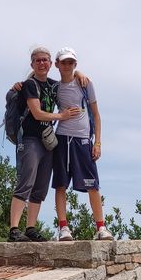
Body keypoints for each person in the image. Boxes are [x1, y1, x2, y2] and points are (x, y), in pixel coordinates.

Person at [8, 46, 80, 242]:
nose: (41, 63)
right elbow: (37, 113)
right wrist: (61, 115)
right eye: (37, 60)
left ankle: (30, 227)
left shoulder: (52, 85)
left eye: (45, 60)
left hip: (47, 142)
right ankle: (14, 230)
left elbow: (69, 81)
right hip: (30, 139)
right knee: (25, 183)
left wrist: (79, 73)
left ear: (51, 64)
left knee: (40, 187)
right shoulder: (30, 84)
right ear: (32, 64)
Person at [52, 47, 113, 241]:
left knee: (92, 185)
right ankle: (63, 228)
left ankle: (101, 227)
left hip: (83, 140)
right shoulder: (54, 87)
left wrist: (98, 142)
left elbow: (96, 114)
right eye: (64, 62)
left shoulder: (85, 83)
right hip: (61, 138)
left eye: (71, 62)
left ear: (75, 64)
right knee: (60, 184)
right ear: (57, 64)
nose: (68, 65)